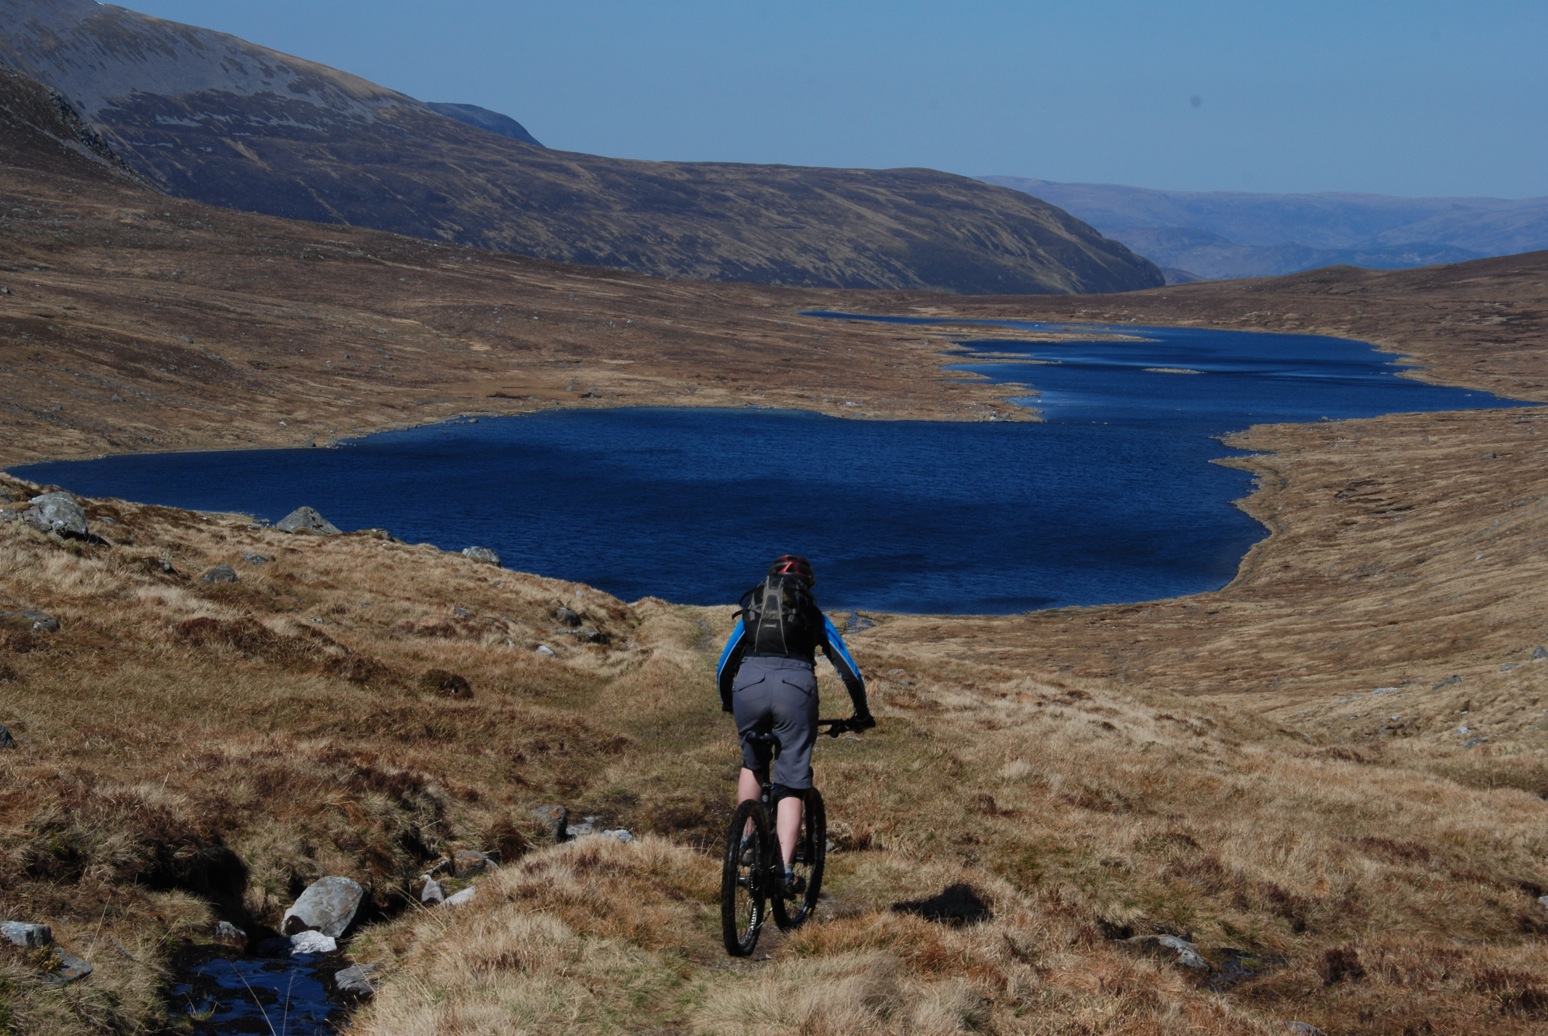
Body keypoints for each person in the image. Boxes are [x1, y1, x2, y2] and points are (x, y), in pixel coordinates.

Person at [716, 554, 873, 897]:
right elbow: (847, 670)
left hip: (749, 687)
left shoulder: (754, 612)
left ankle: (744, 842)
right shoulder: (813, 616)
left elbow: (724, 664)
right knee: (792, 778)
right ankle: (785, 871)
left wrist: (730, 702)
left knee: (752, 762)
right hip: (795, 691)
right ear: (807, 586)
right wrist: (861, 715)